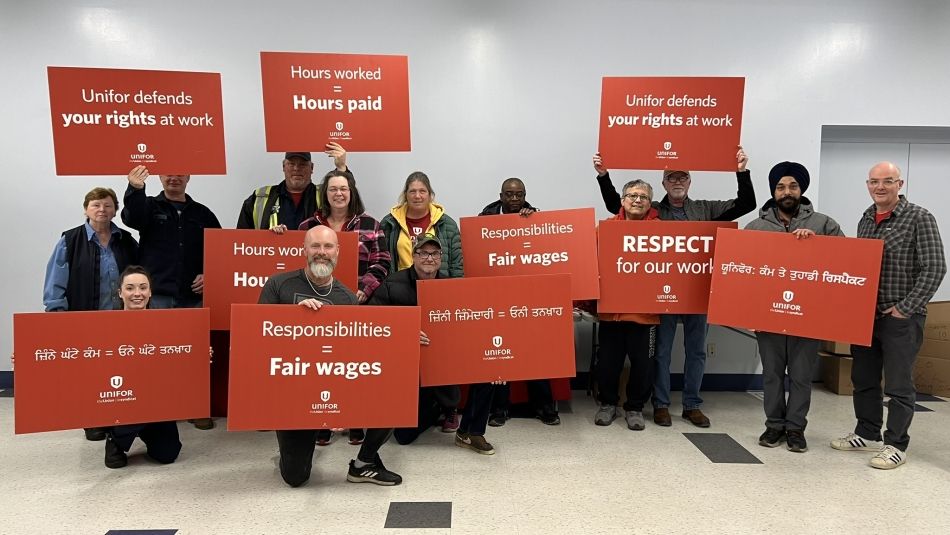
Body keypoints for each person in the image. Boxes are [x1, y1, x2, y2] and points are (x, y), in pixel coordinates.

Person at [593, 146, 755, 428]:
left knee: (697, 351)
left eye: (683, 177)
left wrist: (741, 172)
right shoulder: (655, 212)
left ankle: (692, 405)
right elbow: (617, 208)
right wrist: (604, 176)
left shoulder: (706, 209)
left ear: (690, 181)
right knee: (662, 352)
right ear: (664, 183)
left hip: (696, 290)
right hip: (663, 293)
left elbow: (746, 203)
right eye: (671, 177)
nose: (677, 181)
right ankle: (661, 405)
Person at [258, 226, 401, 486]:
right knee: (295, 477)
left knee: (394, 393)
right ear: (304, 249)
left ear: (338, 252)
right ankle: (289, 450)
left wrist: (342, 405)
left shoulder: (347, 299)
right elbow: (257, 341)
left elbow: (352, 358)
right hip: (292, 390)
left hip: (330, 383)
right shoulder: (278, 285)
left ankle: (364, 462)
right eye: (315, 246)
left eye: (327, 247)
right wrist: (293, 318)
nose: (321, 253)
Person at [831, 161, 946, 469]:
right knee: (864, 378)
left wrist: (904, 308)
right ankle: (867, 433)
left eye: (887, 181)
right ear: (867, 185)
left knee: (898, 384)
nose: (879, 187)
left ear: (900, 184)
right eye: (873, 182)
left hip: (901, 318)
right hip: (865, 316)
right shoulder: (866, 219)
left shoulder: (919, 218)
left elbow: (935, 268)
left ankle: (896, 443)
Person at [744, 162, 843, 453]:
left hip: (808, 316)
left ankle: (796, 428)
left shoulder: (824, 224)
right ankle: (774, 425)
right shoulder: (755, 227)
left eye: (793, 186)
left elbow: (844, 262)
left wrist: (817, 244)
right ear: (773, 191)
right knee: (772, 374)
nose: (787, 192)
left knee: (801, 376)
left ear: (802, 189)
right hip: (768, 315)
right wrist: (746, 312)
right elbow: (743, 272)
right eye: (780, 187)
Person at [122, 166, 221, 429]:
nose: (174, 177)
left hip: (192, 297)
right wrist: (135, 188)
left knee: (196, 355)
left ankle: (195, 406)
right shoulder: (149, 207)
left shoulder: (203, 214)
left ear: (189, 177)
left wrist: (208, 274)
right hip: (158, 297)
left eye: (181, 173)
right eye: (168, 172)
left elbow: (220, 250)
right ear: (160, 177)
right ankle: (156, 407)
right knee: (154, 353)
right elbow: (131, 218)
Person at [299, 169, 392, 446]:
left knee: (352, 367)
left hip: (356, 305)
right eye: (333, 189)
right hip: (319, 306)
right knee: (322, 367)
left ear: (351, 192)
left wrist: (363, 289)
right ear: (325, 194)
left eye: (343, 188)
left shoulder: (371, 224)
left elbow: (383, 260)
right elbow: (296, 261)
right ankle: (323, 421)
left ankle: (354, 419)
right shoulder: (306, 226)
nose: (338, 194)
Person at [43, 187, 138, 442]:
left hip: (121, 320)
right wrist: (56, 315)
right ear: (86, 209)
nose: (101, 210)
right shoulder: (70, 240)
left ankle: (119, 418)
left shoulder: (126, 239)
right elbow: (56, 281)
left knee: (118, 370)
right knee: (90, 372)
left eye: (107, 205)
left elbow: (139, 277)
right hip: (85, 319)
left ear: (115, 210)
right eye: (96, 205)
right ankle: (92, 419)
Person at [368, 236, 473, 449]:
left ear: (441, 258)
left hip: (440, 361)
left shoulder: (450, 287)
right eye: (423, 253)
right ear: (413, 256)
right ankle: (435, 408)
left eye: (434, 254)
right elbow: (373, 320)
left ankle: (448, 405)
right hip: (403, 363)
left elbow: (464, 324)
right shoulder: (392, 283)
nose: (429, 258)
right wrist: (405, 334)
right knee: (404, 437)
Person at [380, 172, 463, 432]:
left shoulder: (446, 223)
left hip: (440, 289)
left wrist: (456, 294)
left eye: (422, 191)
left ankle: (449, 407)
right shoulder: (390, 222)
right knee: (407, 343)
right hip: (403, 289)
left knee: (442, 348)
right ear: (405, 194)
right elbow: (384, 256)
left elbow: (457, 261)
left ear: (430, 195)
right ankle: (405, 401)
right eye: (412, 191)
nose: (417, 195)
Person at [478, 178, 559, 427]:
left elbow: (543, 254)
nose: (515, 200)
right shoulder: (484, 220)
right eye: (510, 195)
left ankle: (545, 407)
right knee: (500, 355)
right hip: (497, 295)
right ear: (500, 196)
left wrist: (533, 221)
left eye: (519, 195)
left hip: (528, 296)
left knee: (534, 352)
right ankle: (499, 409)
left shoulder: (533, 219)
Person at [594, 180, 661, 430]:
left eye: (643, 196)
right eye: (632, 195)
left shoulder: (662, 231)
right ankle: (608, 404)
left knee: (644, 365)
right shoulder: (604, 229)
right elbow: (588, 260)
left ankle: (634, 407)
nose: (637, 200)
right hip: (612, 314)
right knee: (608, 363)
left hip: (646, 316)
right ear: (622, 201)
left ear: (650, 203)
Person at [104, 265, 182, 469]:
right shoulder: (102, 325)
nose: (137, 293)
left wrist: (201, 355)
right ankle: (115, 439)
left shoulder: (166, 324)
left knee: (167, 454)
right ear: (120, 292)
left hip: (156, 399)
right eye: (130, 288)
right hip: (118, 398)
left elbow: (180, 358)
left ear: (150, 292)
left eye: (143, 287)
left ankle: (143, 428)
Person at [236, 143, 348, 232]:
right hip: (274, 259)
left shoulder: (326, 195)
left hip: (317, 259)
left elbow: (347, 197)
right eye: (291, 164)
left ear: (312, 168)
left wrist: (341, 167)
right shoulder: (259, 198)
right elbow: (242, 242)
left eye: (302, 164)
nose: (296, 168)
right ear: (283, 167)